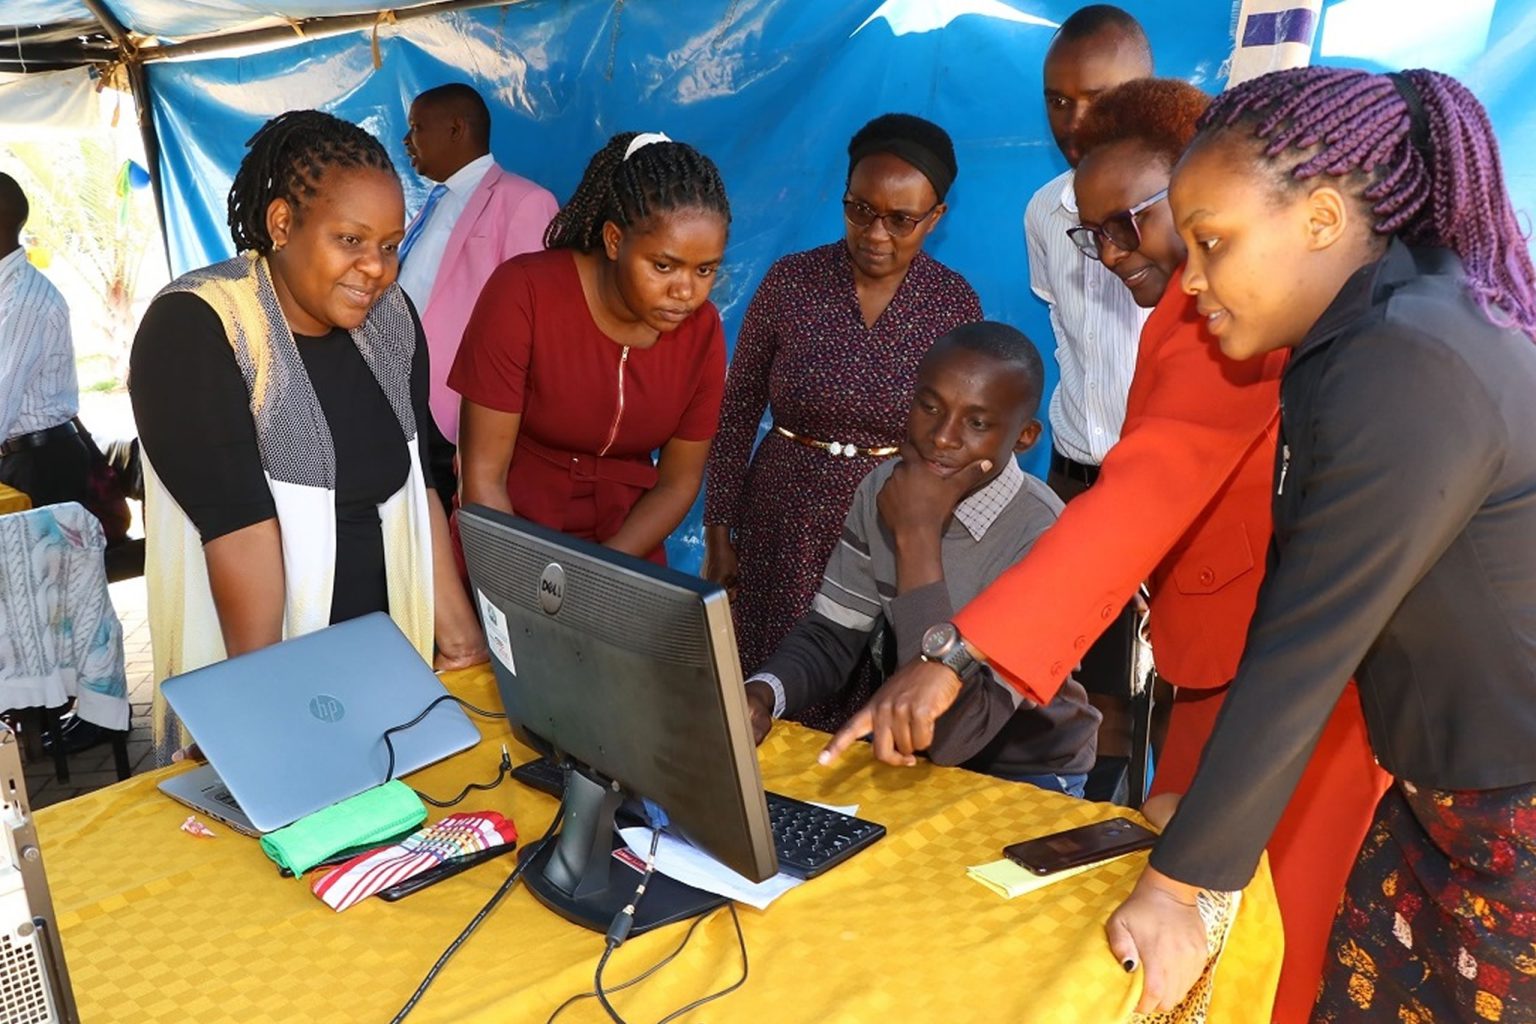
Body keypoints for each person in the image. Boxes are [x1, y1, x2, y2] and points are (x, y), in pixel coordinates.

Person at [823, 78, 1390, 1024]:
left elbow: (1148, 491)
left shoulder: (1253, 318)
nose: (1116, 253)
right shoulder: (1195, 312)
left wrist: (965, 654)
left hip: (1297, 673)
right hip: (1221, 658)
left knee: (1274, 930)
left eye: (1141, 224)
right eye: (1098, 235)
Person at [1095, 67, 1536, 1018]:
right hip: (1448, 795)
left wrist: (1178, 890)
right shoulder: (1365, 337)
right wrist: (1201, 818)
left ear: (1325, 218)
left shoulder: (1410, 362)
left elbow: (1308, 644)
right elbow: (1289, 608)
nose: (1194, 279)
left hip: (1516, 816)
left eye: (1212, 243)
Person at [130, 110, 487, 764]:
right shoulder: (198, 326)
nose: (376, 269)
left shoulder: (393, 323)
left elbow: (418, 487)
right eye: (350, 240)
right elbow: (242, 530)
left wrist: (463, 645)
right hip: (276, 684)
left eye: (388, 245)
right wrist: (259, 719)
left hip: (391, 682)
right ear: (282, 224)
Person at [703, 113, 982, 732]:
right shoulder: (789, 281)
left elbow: (962, 438)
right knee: (769, 690)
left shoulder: (953, 304)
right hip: (781, 519)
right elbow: (738, 408)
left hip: (887, 527)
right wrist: (720, 527)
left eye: (901, 220)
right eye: (860, 210)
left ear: (934, 218)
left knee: (867, 701)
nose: (876, 233)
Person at [745, 323, 1100, 793]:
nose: (943, 438)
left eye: (977, 423)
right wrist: (761, 694)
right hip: (913, 755)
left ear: (1024, 437)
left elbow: (954, 732)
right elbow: (832, 637)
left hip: (1026, 768)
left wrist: (917, 534)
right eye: (930, 407)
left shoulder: (1044, 533)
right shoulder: (882, 487)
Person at [451, 132, 728, 566]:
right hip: (507, 538)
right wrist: (522, 585)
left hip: (627, 550)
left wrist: (598, 574)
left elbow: (678, 483)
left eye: (705, 269)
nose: (686, 291)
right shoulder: (523, 292)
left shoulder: (703, 331)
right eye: (663, 265)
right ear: (615, 240)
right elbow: (483, 477)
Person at [1025, 5, 1156, 792]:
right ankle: (1093, 850)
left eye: (1099, 98)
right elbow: (1066, 334)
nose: (1076, 120)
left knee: (1181, 692)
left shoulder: (1191, 207)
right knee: (1090, 695)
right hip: (1081, 480)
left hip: (1179, 492)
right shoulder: (1045, 212)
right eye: (1057, 98)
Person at [397, 83, 557, 458]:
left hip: (457, 406)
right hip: (400, 391)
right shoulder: (433, 202)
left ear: (456, 129)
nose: (406, 140)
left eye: (417, 128)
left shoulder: (526, 201)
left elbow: (536, 325)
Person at [0, 172, 91, 510]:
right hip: (23, 458)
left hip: (40, 464)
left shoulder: (24, 300)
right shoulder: (7, 292)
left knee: (46, 565)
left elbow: (3, 395)